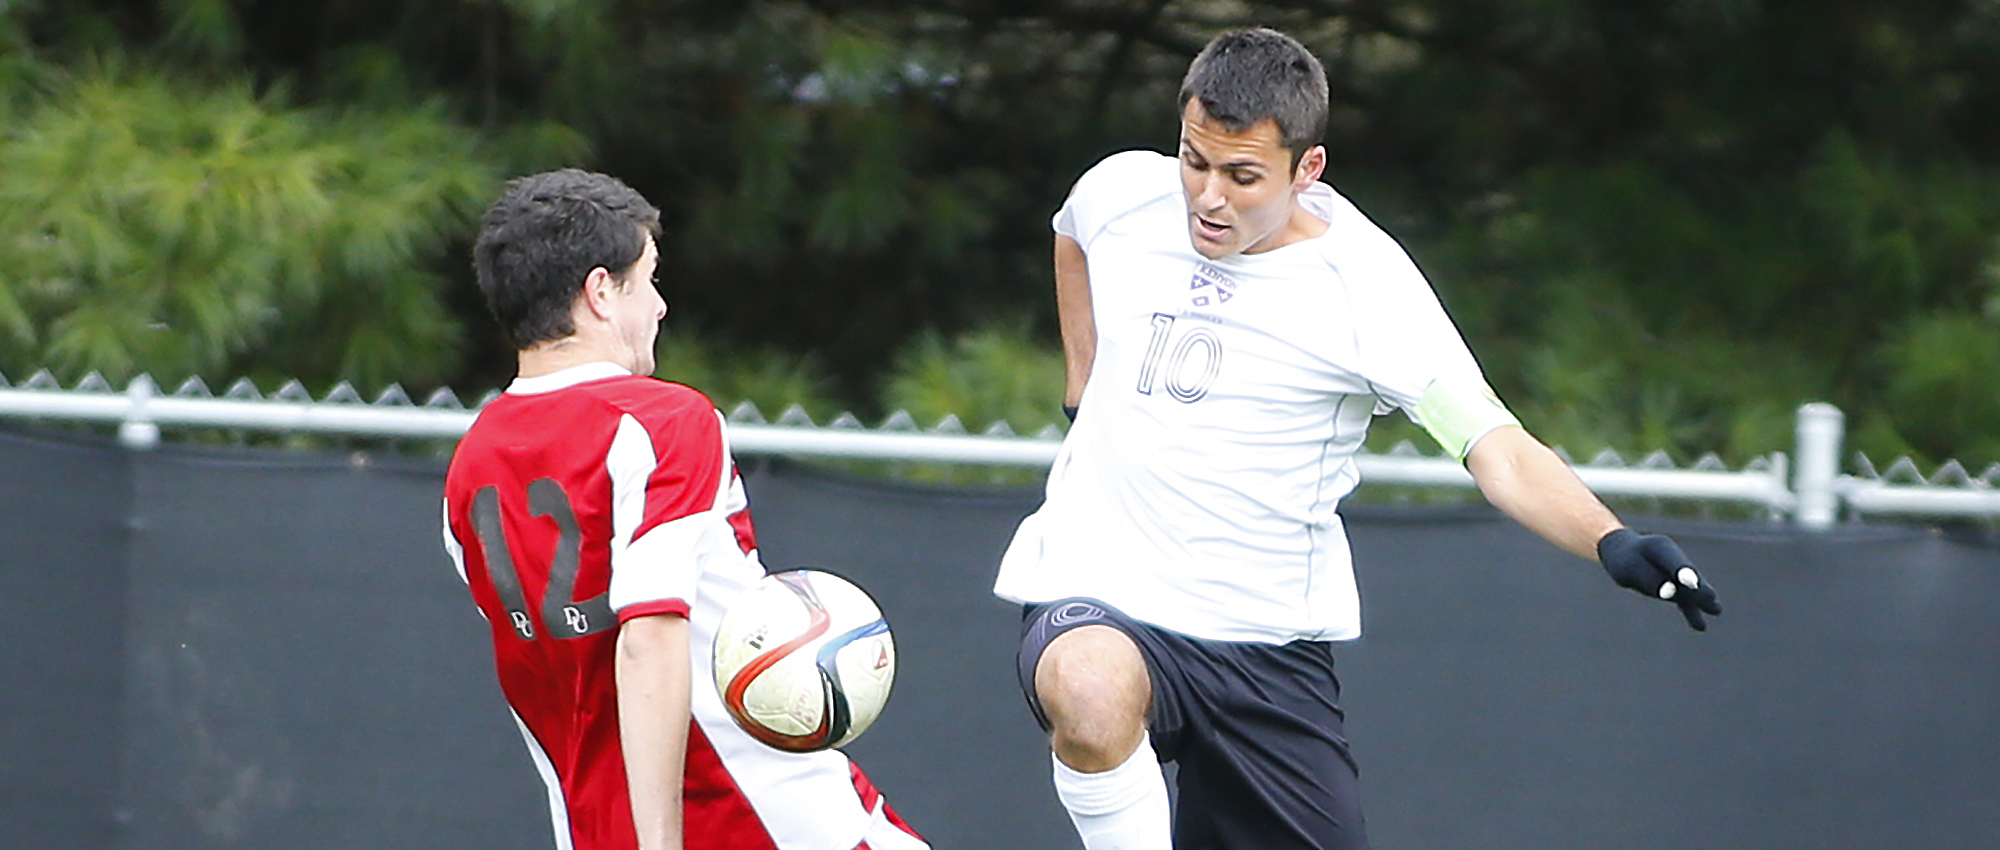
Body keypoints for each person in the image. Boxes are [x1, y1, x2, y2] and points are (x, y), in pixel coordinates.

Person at [994, 28, 1722, 850]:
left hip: (1264, 649)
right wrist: (1081, 379)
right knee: (1089, 688)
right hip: (1100, 590)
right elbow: (1073, 229)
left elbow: (1495, 446)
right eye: (1194, 161)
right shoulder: (1123, 192)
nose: (1207, 197)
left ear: (1308, 170)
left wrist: (1611, 539)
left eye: (1242, 176)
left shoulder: (1367, 286)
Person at [442, 168, 927, 850]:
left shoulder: (469, 466)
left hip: (592, 832)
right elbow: (648, 638)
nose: (661, 306)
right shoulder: (663, 421)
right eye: (650, 279)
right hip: (755, 819)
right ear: (602, 292)